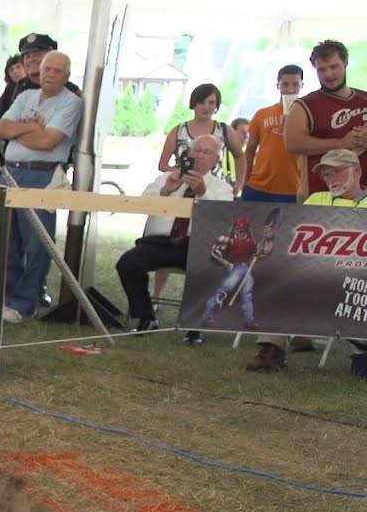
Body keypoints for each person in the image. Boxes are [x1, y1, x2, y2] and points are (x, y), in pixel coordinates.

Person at [246, 149, 367, 372]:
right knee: (280, 277)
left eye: (338, 172)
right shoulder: (317, 199)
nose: (332, 179)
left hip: (358, 279)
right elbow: (291, 237)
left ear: (358, 171)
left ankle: (359, 346)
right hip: (313, 274)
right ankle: (272, 348)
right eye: (327, 175)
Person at [0, 51, 83, 323]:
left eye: (57, 70)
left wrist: (20, 130)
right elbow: (1, 128)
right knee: (6, 240)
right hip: (10, 173)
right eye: (47, 69)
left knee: (37, 243)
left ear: (66, 76)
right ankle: (6, 298)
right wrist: (33, 128)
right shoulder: (25, 96)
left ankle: (24, 304)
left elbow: (48, 142)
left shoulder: (71, 102)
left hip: (42, 176)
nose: (50, 74)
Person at [114, 136, 233, 332]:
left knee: (212, 269)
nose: (200, 156)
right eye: (197, 150)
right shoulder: (167, 178)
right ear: (188, 153)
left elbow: (222, 218)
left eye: (207, 152)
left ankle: (196, 327)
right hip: (159, 242)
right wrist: (167, 190)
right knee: (128, 263)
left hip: (199, 245)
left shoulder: (222, 188)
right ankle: (146, 317)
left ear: (216, 160)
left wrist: (203, 192)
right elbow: (142, 204)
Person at [284, 40, 367, 201]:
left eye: (334, 67)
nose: (328, 74)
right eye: (322, 69)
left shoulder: (364, 98)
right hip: (320, 197)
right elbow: (293, 143)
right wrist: (342, 143)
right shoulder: (305, 105)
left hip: (363, 197)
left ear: (345, 63)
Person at [157, 83, 247, 184]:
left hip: (216, 189)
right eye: (201, 102)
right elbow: (162, 165)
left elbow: (240, 156)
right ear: (194, 104)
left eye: (211, 102)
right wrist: (182, 173)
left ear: (216, 105)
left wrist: (239, 184)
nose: (206, 107)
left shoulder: (225, 130)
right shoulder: (178, 131)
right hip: (182, 187)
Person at [238, 65, 304, 203]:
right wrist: (244, 182)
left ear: (301, 86)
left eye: (295, 84)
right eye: (285, 84)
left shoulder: (307, 115)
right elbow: (250, 151)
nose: (290, 89)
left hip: (294, 188)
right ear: (277, 85)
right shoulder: (262, 114)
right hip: (257, 186)